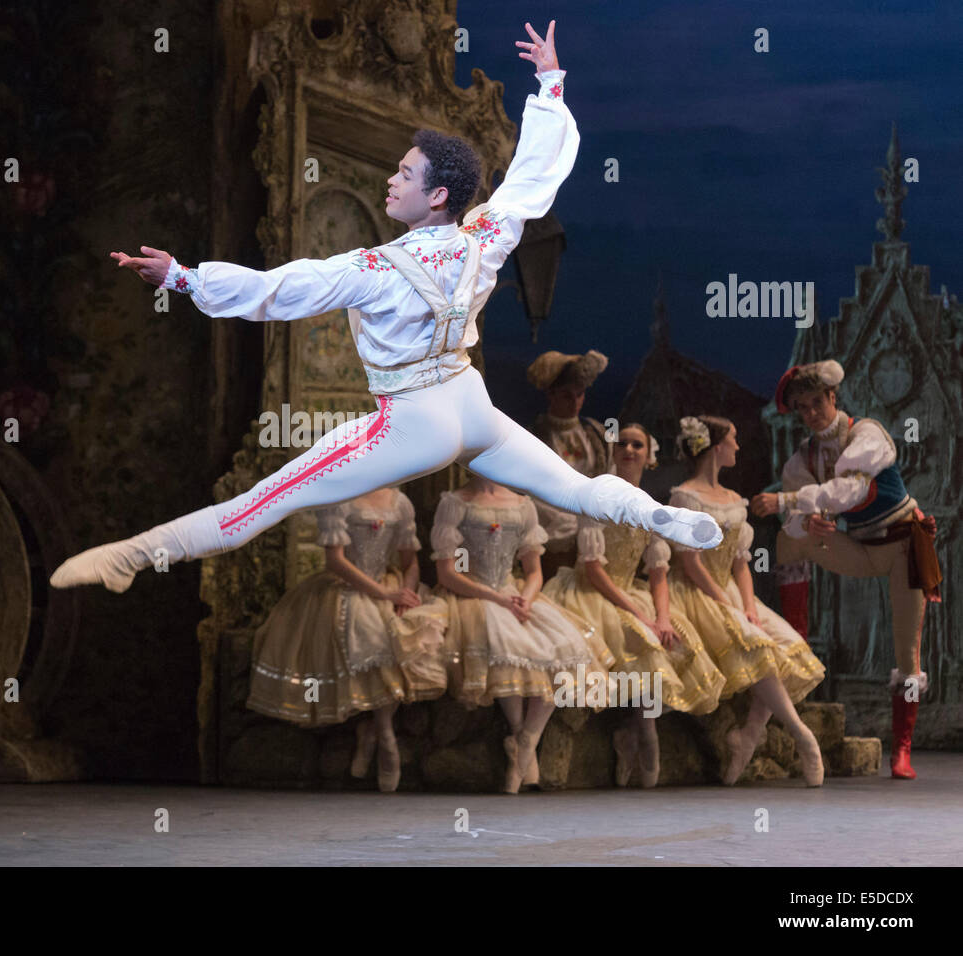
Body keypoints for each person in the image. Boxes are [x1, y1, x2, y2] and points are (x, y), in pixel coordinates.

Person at [51, 20, 723, 597]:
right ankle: (661, 517)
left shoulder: (375, 268)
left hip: (418, 420)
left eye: (404, 174)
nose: (391, 180)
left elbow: (279, 291)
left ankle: (132, 556)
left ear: (435, 197)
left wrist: (184, 278)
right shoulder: (484, 237)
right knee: (573, 490)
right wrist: (550, 86)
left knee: (268, 498)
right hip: (473, 409)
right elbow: (531, 181)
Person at [750, 360, 941, 779]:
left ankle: (903, 747)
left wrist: (789, 503)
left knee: (907, 652)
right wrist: (813, 522)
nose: (811, 413)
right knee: (791, 539)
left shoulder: (867, 434)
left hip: (902, 546)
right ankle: (795, 640)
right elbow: (800, 521)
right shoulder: (804, 459)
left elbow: (850, 490)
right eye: (802, 407)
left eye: (817, 402)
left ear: (833, 398)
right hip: (860, 547)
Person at [543, 423, 725, 787]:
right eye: (621, 443)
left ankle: (639, 731)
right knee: (639, 638)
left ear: (649, 454)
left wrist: (661, 617)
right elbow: (593, 569)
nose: (628, 448)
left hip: (631, 592)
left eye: (637, 444)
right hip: (591, 593)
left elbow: (659, 572)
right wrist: (640, 614)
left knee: (677, 640)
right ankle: (645, 738)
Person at [246, 485, 447, 791]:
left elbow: (411, 562)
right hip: (346, 587)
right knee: (374, 632)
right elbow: (335, 561)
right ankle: (386, 737)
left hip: (389, 585)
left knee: (410, 630)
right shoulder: (339, 497)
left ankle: (373, 731)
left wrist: (404, 595)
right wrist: (381, 593)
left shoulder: (401, 501)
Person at [666, 415, 827, 787]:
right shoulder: (685, 497)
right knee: (756, 646)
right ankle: (802, 736)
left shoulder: (734, 501)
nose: (738, 446)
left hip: (732, 591)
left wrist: (749, 606)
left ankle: (748, 736)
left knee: (788, 644)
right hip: (697, 592)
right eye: (733, 439)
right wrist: (724, 601)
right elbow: (689, 562)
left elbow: (741, 563)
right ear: (715, 446)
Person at [430, 471, 612, 793]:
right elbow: (448, 573)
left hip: (513, 594)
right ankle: (521, 738)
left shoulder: (522, 505)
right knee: (506, 645)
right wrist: (496, 598)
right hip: (474, 596)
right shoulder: (456, 504)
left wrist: (524, 599)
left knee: (565, 645)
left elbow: (533, 572)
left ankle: (527, 738)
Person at [526, 349, 613, 582]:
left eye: (580, 394)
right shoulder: (535, 437)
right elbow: (530, 491)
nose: (575, 402)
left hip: (596, 532)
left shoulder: (595, 432)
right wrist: (571, 525)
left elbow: (608, 477)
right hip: (555, 536)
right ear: (551, 395)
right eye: (567, 395)